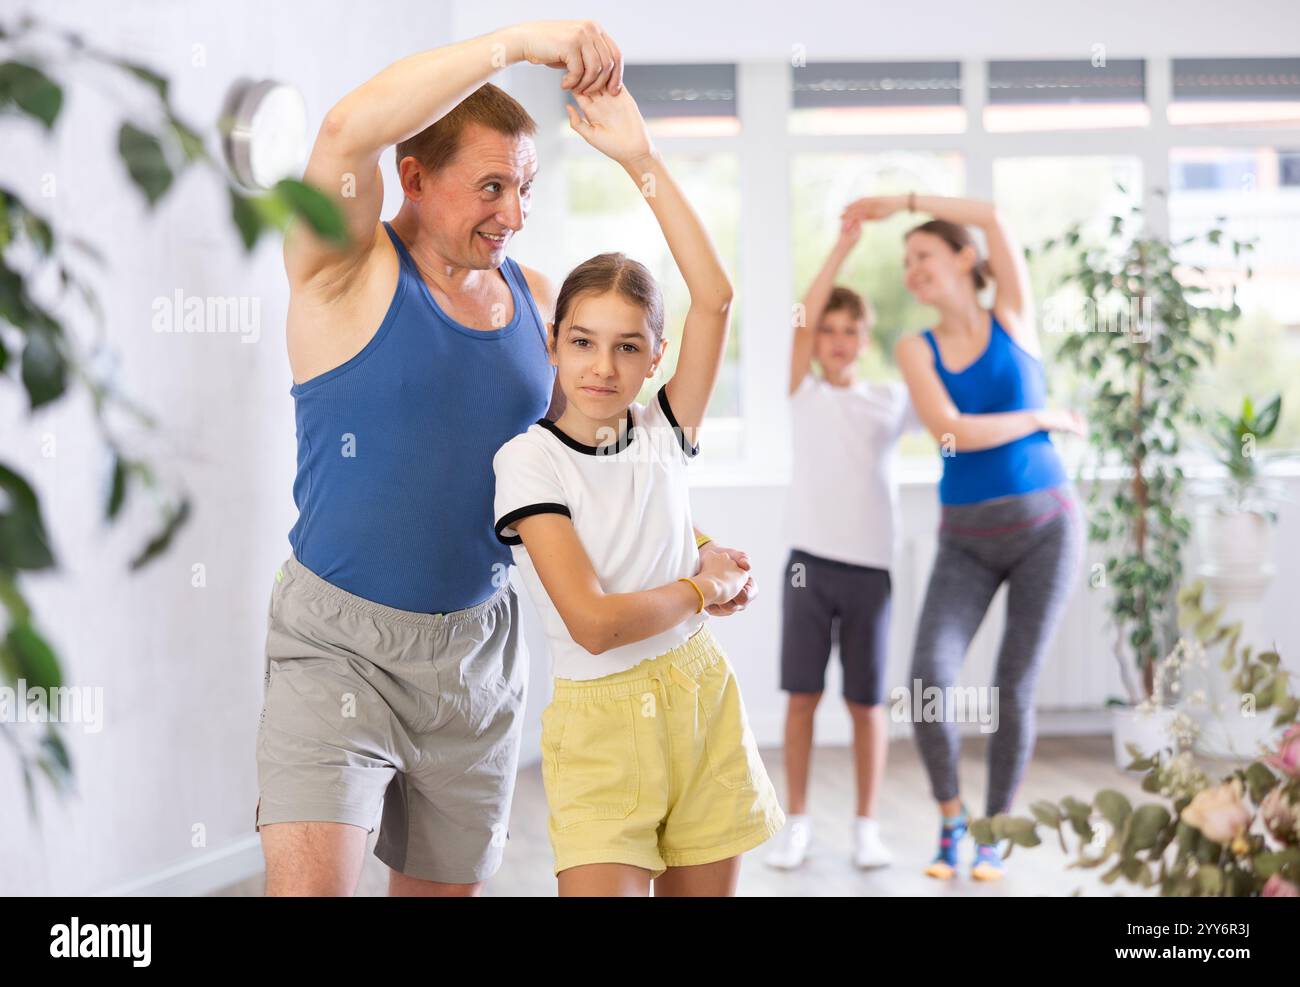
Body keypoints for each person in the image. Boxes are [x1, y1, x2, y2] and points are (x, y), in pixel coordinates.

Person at [255, 20, 756, 897]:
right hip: (337, 646)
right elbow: (344, 131)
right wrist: (523, 42)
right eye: (492, 186)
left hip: (478, 655)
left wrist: (699, 547)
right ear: (413, 179)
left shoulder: (538, 303)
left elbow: (615, 463)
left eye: (523, 187)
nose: (515, 214)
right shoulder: (344, 267)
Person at [492, 83, 785, 897]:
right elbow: (592, 624)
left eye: (628, 347)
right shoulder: (527, 462)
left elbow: (716, 297)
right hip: (599, 728)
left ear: (655, 356)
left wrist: (640, 161)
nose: (602, 366)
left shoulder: (663, 429)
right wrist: (704, 583)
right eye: (582, 341)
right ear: (552, 344)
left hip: (700, 701)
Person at [843, 192, 1085, 881]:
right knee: (928, 679)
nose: (912, 268)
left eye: (923, 254)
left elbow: (995, 215)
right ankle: (952, 817)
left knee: (1015, 683)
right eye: (906, 259)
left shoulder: (1014, 317)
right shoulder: (914, 346)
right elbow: (950, 430)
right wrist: (1041, 416)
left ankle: (993, 829)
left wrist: (908, 201)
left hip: (1047, 529)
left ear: (963, 258)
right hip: (968, 540)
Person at [766, 215, 918, 872]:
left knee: (865, 703)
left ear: (864, 338)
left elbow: (953, 408)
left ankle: (866, 826)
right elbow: (800, 319)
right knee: (802, 697)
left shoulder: (891, 400)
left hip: (871, 573)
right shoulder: (803, 392)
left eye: (848, 329)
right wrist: (844, 244)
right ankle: (796, 822)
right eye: (827, 328)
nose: (834, 338)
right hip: (809, 565)